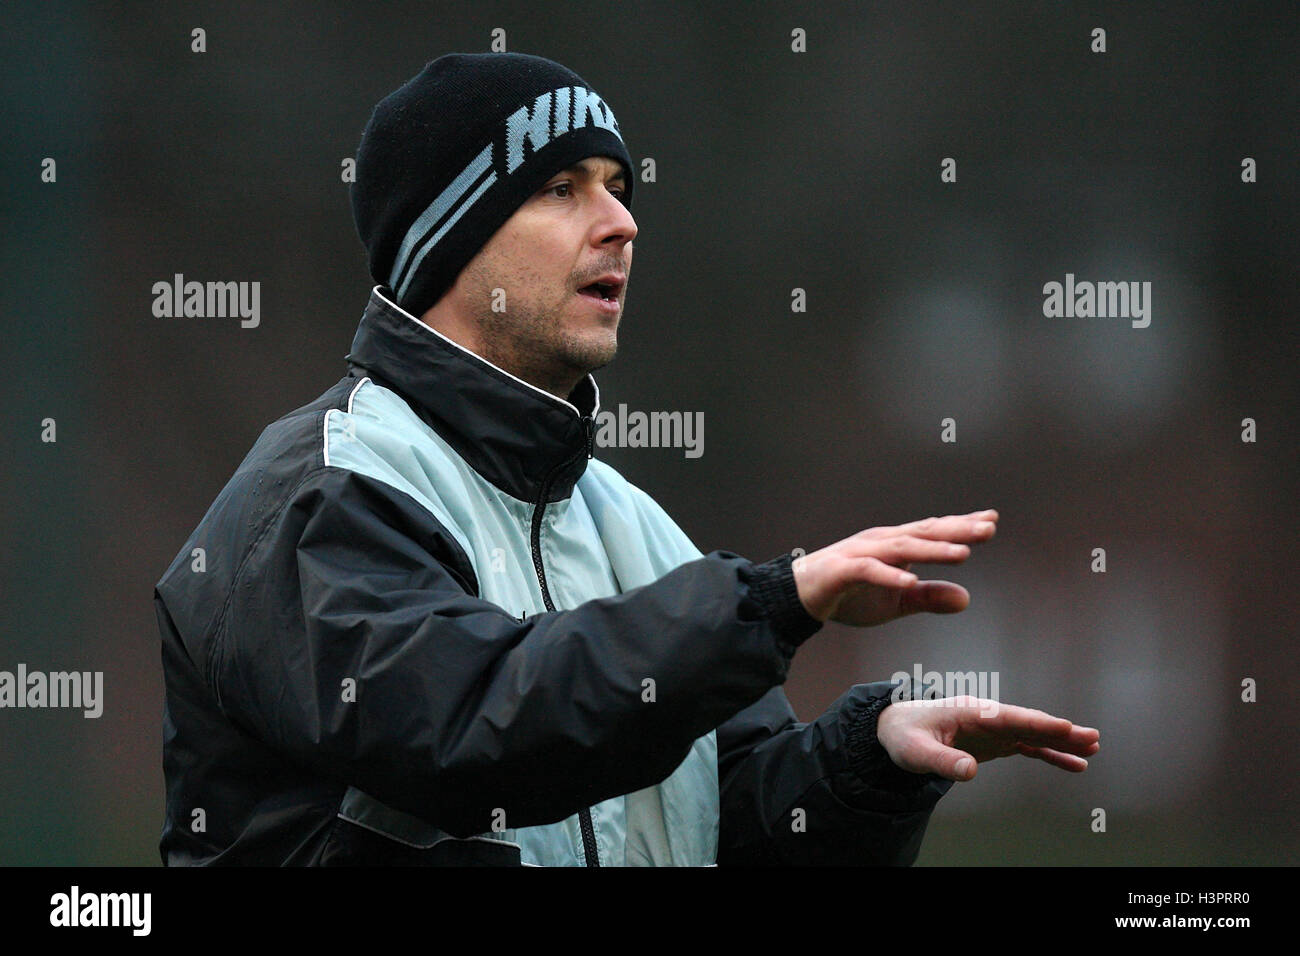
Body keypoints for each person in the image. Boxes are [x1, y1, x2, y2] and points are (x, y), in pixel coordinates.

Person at [153, 51, 1099, 866]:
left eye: (618, 186)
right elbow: (471, 725)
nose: (622, 223)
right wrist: (767, 604)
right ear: (444, 243)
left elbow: (733, 826)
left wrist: (864, 764)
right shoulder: (323, 494)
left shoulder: (635, 527)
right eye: (562, 189)